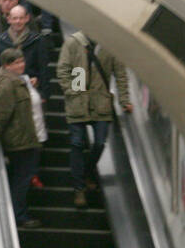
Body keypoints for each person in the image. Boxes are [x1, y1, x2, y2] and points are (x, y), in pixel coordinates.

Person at [55, 30, 132, 208]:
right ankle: (79, 189)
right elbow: (63, 68)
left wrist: (124, 100)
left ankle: (87, 172)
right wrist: (73, 90)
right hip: (78, 101)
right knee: (77, 144)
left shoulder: (111, 44)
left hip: (101, 102)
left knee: (99, 143)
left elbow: (120, 73)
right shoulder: (74, 42)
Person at [0, 48, 43, 228]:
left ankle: (18, 213)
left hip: (26, 136)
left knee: (22, 178)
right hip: (20, 140)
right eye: (17, 63)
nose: (22, 65)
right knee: (21, 179)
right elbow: (0, 107)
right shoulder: (8, 83)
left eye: (22, 61)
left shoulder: (17, 80)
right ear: (6, 65)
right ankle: (19, 215)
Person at [0, 4, 50, 89]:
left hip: (32, 87)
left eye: (21, 18)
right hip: (6, 88)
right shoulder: (1, 41)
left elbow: (43, 68)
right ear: (9, 19)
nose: (18, 21)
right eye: (15, 18)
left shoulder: (37, 40)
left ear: (27, 18)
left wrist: (40, 83)